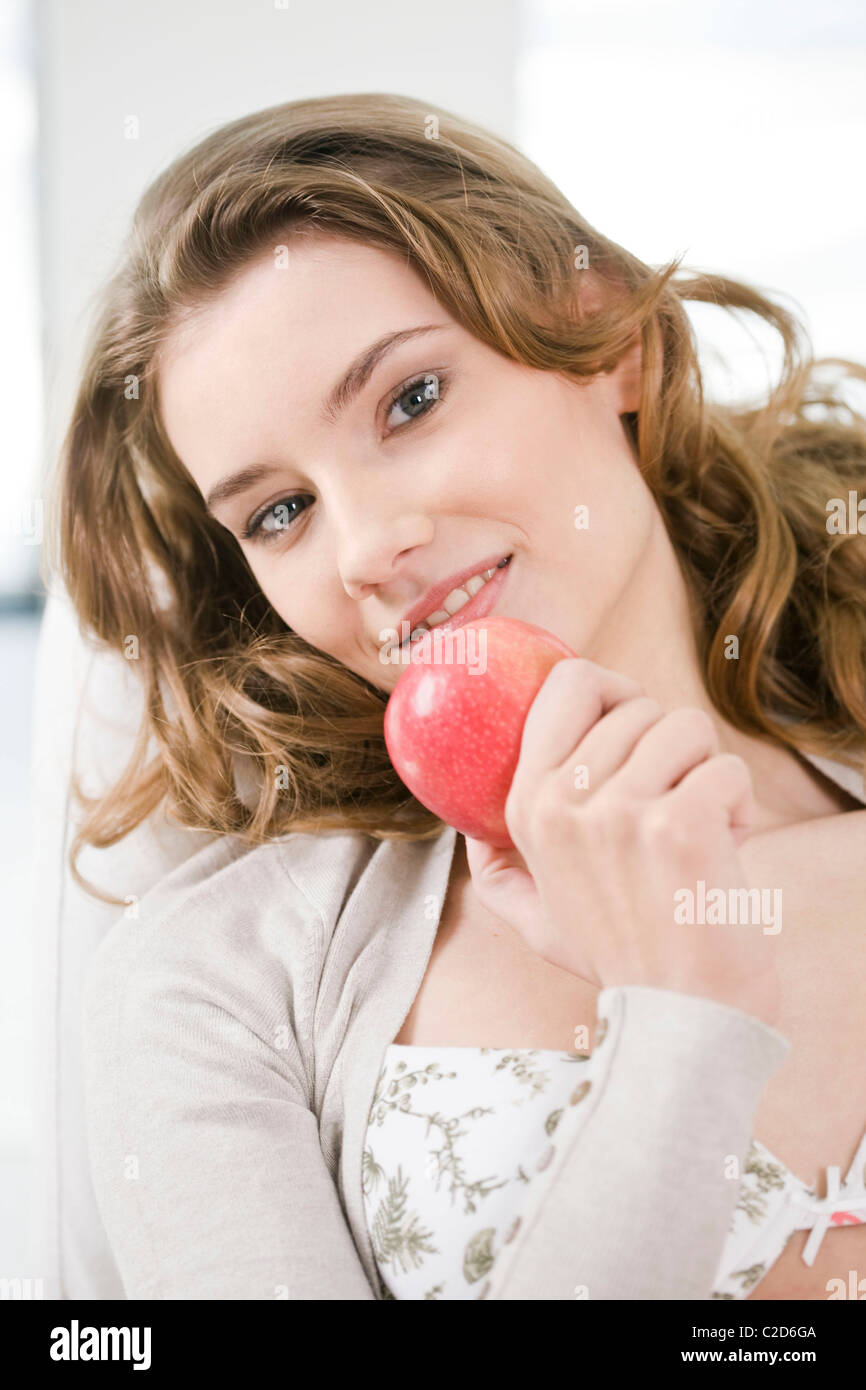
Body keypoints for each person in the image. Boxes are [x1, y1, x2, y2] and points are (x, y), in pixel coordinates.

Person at [46, 92, 866, 1300]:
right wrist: (679, 1031)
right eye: (280, 511)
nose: (366, 547)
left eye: (410, 401)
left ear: (603, 340)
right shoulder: (213, 979)